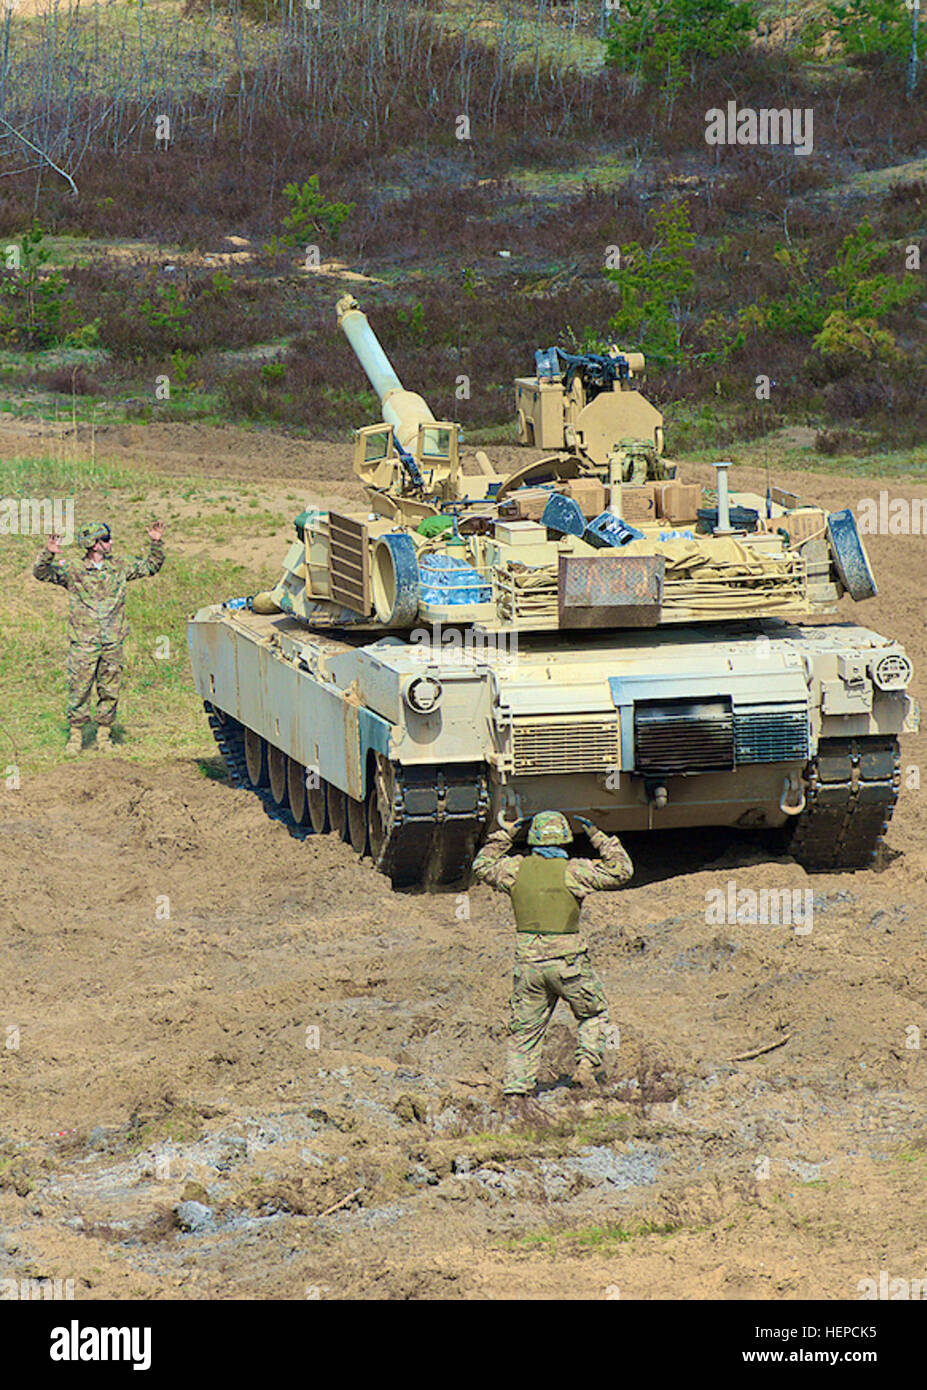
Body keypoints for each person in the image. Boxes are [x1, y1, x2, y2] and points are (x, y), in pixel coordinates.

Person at [471, 809, 633, 1097]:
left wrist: (505, 834)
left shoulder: (515, 869)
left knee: (525, 1031)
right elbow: (622, 871)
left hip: (529, 965)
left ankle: (516, 1091)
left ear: (532, 838)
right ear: (565, 839)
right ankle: (585, 1065)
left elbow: (482, 865)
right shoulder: (575, 871)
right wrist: (599, 837)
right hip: (569, 964)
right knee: (594, 1012)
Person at [33, 519, 165, 753]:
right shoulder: (73, 569)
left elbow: (151, 567)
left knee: (110, 689)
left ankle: (104, 736)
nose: (110, 543)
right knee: (79, 688)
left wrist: (156, 543)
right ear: (94, 544)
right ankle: (76, 738)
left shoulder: (120, 566)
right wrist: (48, 554)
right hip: (83, 642)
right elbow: (41, 574)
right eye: (105, 540)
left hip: (112, 642)